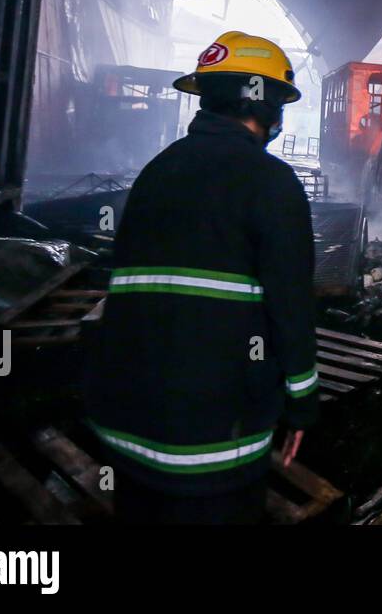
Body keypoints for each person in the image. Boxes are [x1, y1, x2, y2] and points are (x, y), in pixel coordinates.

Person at [84, 31, 318, 524]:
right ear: (271, 107)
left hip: (126, 430)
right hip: (212, 446)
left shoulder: (154, 173)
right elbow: (291, 308)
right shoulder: (272, 182)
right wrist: (302, 404)